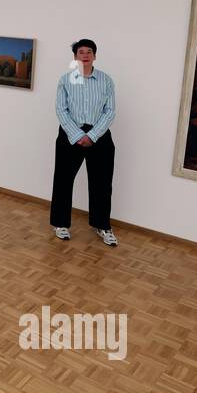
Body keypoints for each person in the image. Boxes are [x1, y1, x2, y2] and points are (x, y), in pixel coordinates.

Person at [50, 38, 118, 246]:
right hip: (71, 134)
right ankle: (60, 224)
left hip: (99, 134)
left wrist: (93, 135)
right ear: (75, 57)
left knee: (102, 183)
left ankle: (103, 226)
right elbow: (61, 110)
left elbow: (110, 111)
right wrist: (78, 135)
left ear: (95, 56)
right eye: (81, 52)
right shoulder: (65, 80)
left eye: (89, 51)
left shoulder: (106, 81)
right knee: (63, 180)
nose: (85, 55)